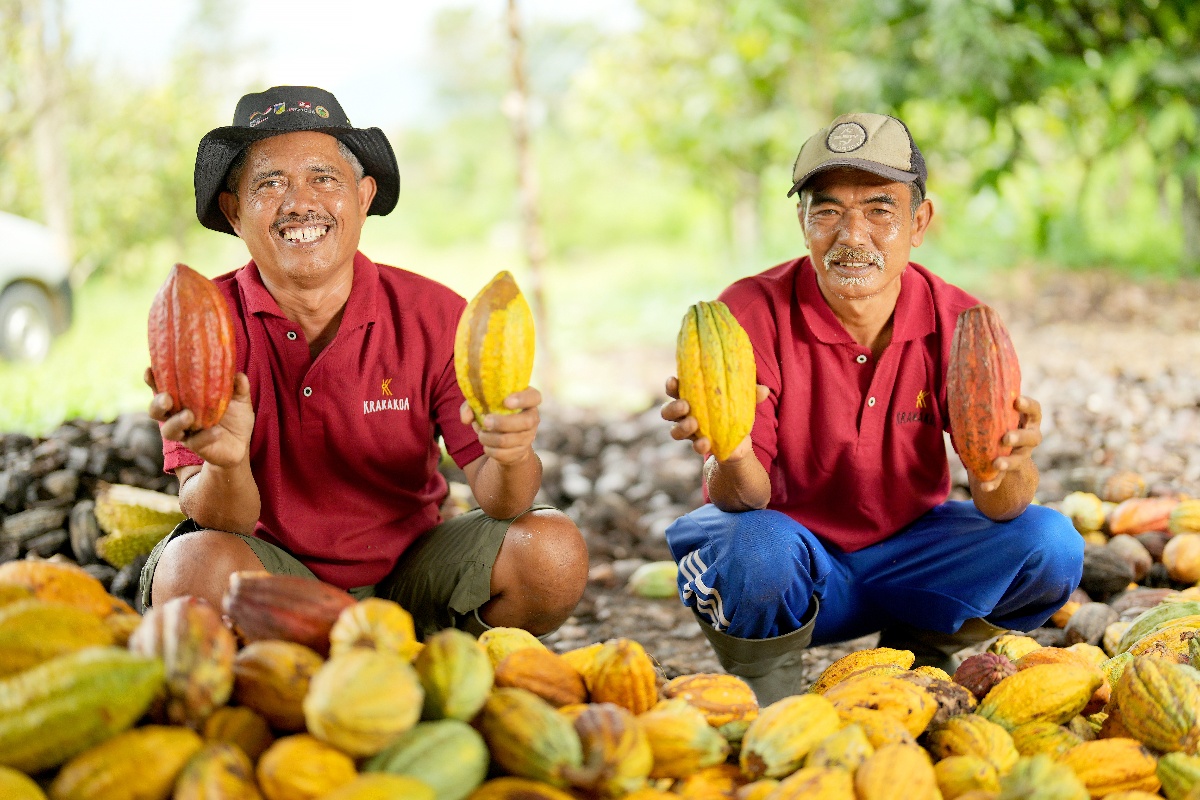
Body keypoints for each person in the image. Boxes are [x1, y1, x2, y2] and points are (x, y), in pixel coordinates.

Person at [660, 112, 1083, 704]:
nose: (852, 236)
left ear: (919, 222)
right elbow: (744, 499)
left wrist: (1005, 463)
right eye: (827, 210)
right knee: (748, 545)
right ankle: (766, 693)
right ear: (802, 222)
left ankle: (925, 649)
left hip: (912, 561)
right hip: (796, 566)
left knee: (1051, 544)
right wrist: (726, 445)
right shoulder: (748, 312)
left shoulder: (962, 323)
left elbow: (1001, 503)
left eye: (880, 210)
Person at [140, 86, 588, 640]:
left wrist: (513, 453)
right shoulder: (198, 323)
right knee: (192, 568)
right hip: (272, 585)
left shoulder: (436, 315)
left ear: (362, 195)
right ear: (234, 212)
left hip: (411, 578)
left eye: (323, 178)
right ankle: (301, 678)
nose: (299, 201)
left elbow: (504, 501)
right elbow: (220, 521)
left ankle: (431, 659)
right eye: (270, 183)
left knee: (552, 551)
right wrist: (227, 465)